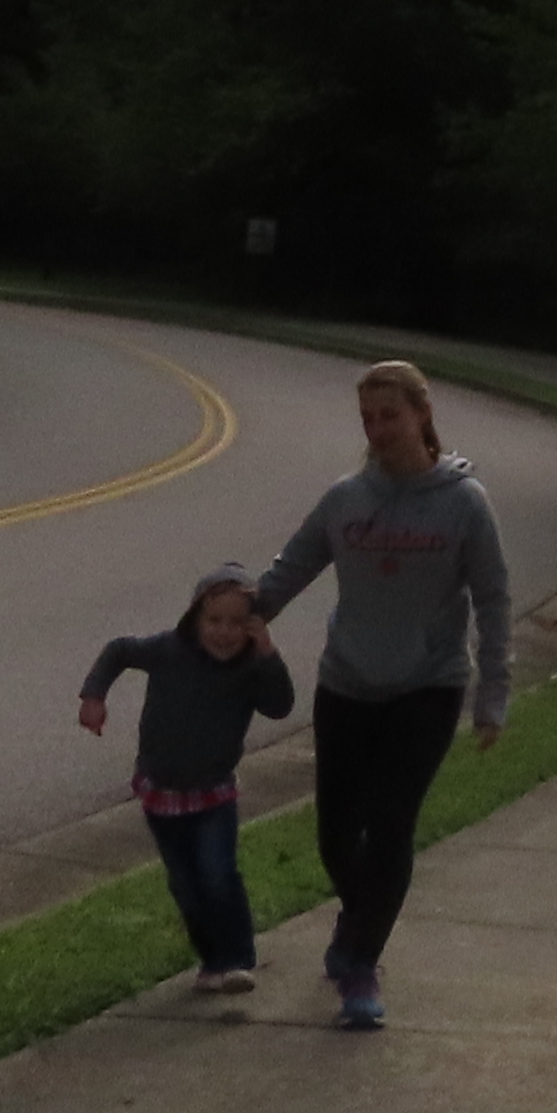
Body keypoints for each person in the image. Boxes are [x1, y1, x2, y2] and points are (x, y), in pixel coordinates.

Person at [248, 358, 512, 1031]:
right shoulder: (346, 499)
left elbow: (494, 599)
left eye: (389, 416)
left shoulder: (464, 503)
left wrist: (494, 693)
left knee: (391, 826)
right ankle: (358, 915)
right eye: (367, 419)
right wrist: (231, 624)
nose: (377, 429)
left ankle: (362, 965)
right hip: (347, 683)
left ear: (422, 414)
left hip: (428, 684)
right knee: (337, 836)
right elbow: (290, 568)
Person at [77, 570, 298, 989]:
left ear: (253, 626)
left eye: (237, 623)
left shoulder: (252, 668)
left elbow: (281, 706)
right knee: (186, 884)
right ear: (195, 618)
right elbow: (119, 651)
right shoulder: (168, 650)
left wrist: (268, 654)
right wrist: (94, 695)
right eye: (214, 621)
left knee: (218, 875)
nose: (225, 633)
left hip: (213, 794)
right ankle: (212, 962)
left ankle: (237, 958)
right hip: (161, 794)